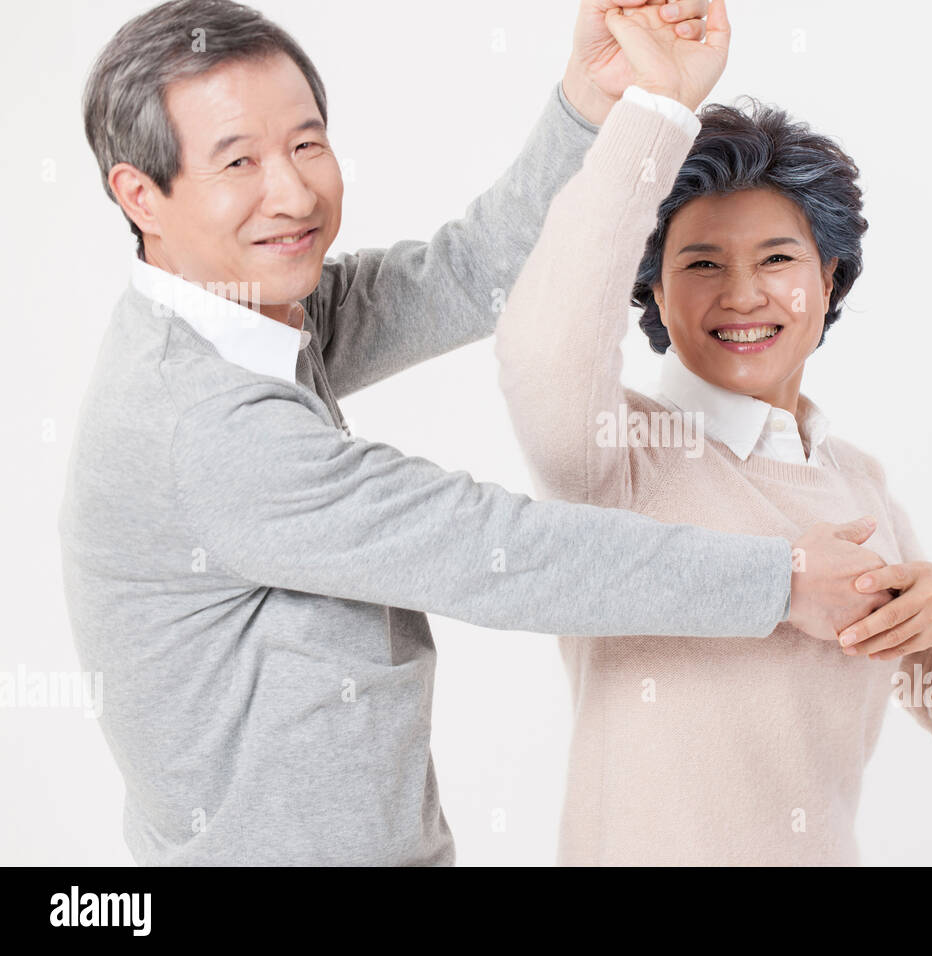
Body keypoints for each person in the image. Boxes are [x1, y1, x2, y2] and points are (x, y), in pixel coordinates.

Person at [60, 0, 890, 866]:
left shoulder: (239, 311)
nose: (295, 192)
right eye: (239, 161)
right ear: (140, 194)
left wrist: (594, 95)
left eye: (306, 144)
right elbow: (494, 550)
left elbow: (468, 274)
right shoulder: (207, 426)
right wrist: (782, 581)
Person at [494, 0, 932, 864]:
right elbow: (541, 344)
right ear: (655, 295)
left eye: (777, 260)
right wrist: (656, 113)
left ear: (829, 278)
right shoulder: (615, 457)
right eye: (700, 264)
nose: (742, 295)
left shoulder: (860, 485)